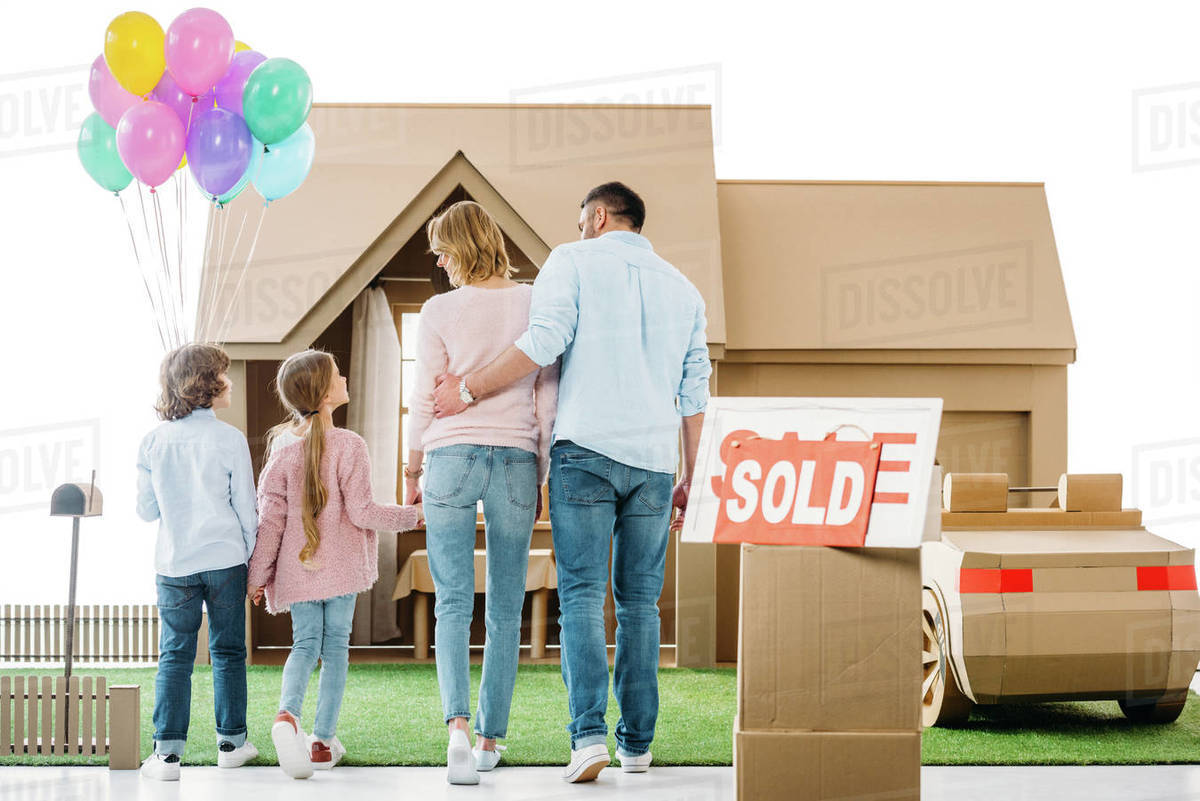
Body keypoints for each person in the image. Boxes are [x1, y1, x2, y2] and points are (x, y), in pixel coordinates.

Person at [432, 182, 711, 783]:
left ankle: (588, 738)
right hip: (657, 460)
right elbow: (694, 395)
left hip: (584, 449)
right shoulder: (685, 290)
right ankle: (637, 745)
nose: (579, 226)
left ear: (598, 215)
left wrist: (468, 388)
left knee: (582, 596)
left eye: (581, 218)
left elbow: (545, 342)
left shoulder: (571, 259)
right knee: (641, 604)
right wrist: (694, 475)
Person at [407, 200, 559, 785]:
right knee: (504, 607)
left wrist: (413, 468)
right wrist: (541, 468)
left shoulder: (440, 309)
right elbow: (547, 394)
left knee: (451, 602)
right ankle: (492, 738)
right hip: (517, 457)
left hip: (448, 456)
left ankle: (457, 732)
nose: (440, 261)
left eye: (443, 249)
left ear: (463, 247)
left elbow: (426, 395)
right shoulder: (533, 303)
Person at [247, 349, 423, 779]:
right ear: (326, 393)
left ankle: (286, 717)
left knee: (305, 646)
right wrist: (415, 515)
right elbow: (364, 513)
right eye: (337, 375)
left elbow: (268, 523)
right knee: (336, 650)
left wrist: (258, 577)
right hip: (343, 571)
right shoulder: (350, 445)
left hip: (298, 572)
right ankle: (322, 742)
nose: (344, 377)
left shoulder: (281, 454)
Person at [136, 343, 260, 781]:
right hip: (226, 559)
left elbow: (146, 510)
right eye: (223, 375)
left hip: (174, 563)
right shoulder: (229, 438)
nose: (229, 382)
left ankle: (167, 755)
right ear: (208, 384)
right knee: (228, 652)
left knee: (175, 655)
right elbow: (248, 508)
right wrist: (250, 559)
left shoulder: (153, 441)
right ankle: (232, 743)